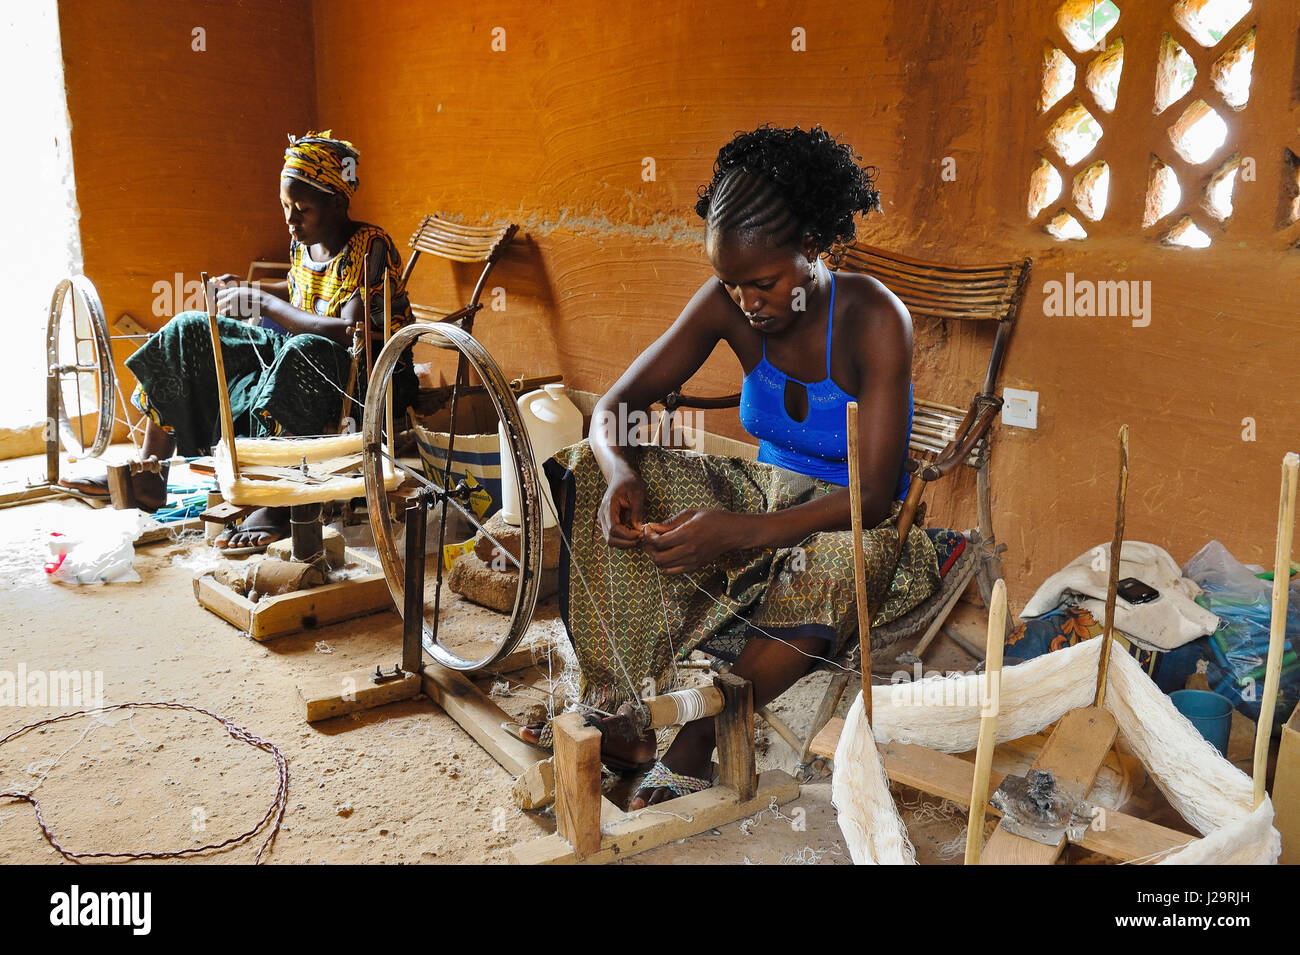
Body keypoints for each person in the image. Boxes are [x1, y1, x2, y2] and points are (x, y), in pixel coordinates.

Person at [538, 124, 941, 809]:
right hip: (765, 500)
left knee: (835, 564)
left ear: (811, 249)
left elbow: (872, 496)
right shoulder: (728, 302)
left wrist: (736, 532)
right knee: (585, 467)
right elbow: (615, 407)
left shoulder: (874, 317)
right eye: (731, 283)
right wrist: (621, 475)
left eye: (763, 282)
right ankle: (621, 712)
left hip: (858, 530)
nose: (747, 303)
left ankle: (699, 739)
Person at [61, 131, 417, 550]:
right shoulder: (304, 244)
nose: (290, 219)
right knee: (190, 327)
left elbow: (345, 332)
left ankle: (280, 501)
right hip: (306, 352)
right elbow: (308, 297)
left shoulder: (370, 246)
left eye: (302, 209)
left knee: (304, 349)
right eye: (286, 206)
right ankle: (151, 473)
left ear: (338, 203)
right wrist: (246, 290)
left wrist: (262, 301)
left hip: (365, 376)